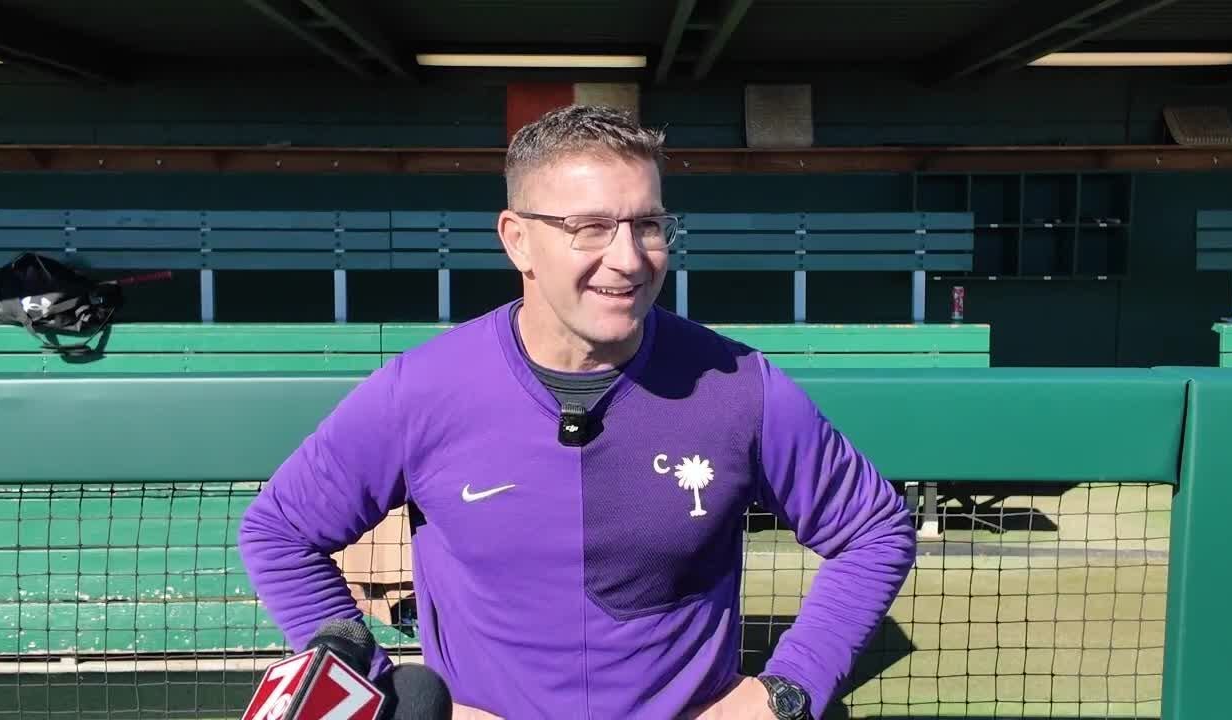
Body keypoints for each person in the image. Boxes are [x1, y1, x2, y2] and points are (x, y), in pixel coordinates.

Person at [237, 104, 917, 720]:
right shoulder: (418, 391)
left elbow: (875, 529)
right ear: (517, 240)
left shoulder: (740, 384)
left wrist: (786, 692)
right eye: (589, 228)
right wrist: (388, 699)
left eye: (647, 224)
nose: (626, 259)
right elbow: (280, 533)